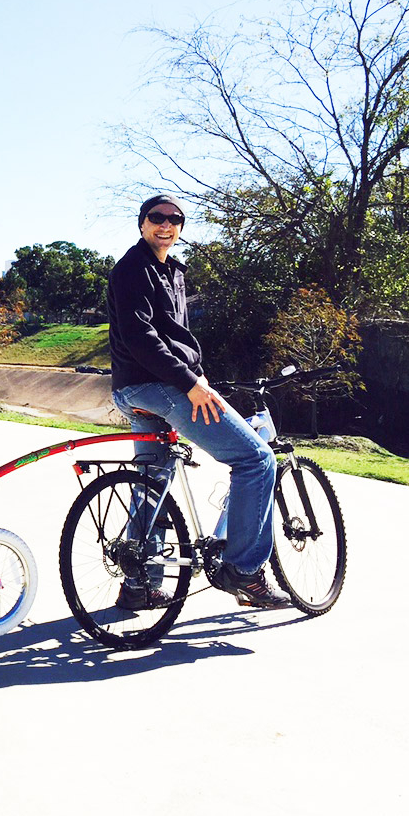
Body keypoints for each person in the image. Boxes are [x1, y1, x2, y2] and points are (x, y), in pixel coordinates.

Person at [107, 194, 290, 610]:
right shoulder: (132, 269)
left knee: (152, 483)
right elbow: (140, 338)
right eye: (157, 217)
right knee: (257, 460)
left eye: (175, 219)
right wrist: (190, 383)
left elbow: (176, 337)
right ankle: (244, 572)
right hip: (155, 386)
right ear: (142, 223)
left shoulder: (172, 271)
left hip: (142, 387)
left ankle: (139, 585)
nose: (166, 225)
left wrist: (198, 375)